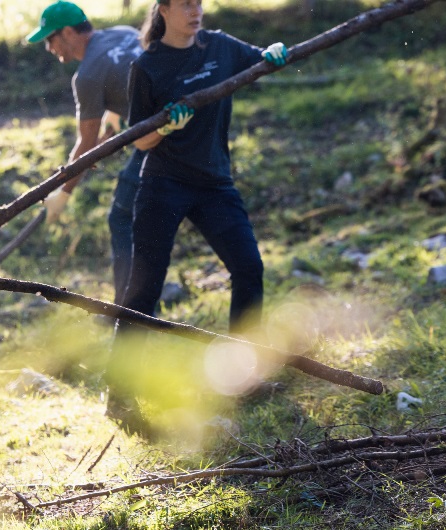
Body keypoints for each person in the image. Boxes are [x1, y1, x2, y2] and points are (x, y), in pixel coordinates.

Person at [106, 0, 287, 433]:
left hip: (214, 185)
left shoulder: (220, 47)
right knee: (144, 289)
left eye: (199, 2)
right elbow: (140, 140)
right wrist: (166, 126)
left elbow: (261, 61)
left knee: (249, 268)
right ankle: (119, 393)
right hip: (163, 184)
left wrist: (276, 51)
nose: (195, 10)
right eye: (185, 3)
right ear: (164, 9)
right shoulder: (148, 66)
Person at [26, 1, 145, 306]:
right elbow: (130, 74)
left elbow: (87, 143)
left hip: (161, 140)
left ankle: (128, 311)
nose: (49, 48)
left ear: (68, 32)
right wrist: (117, 112)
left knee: (122, 218)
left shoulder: (87, 75)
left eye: (50, 40)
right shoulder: (124, 31)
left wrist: (63, 192)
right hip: (186, 120)